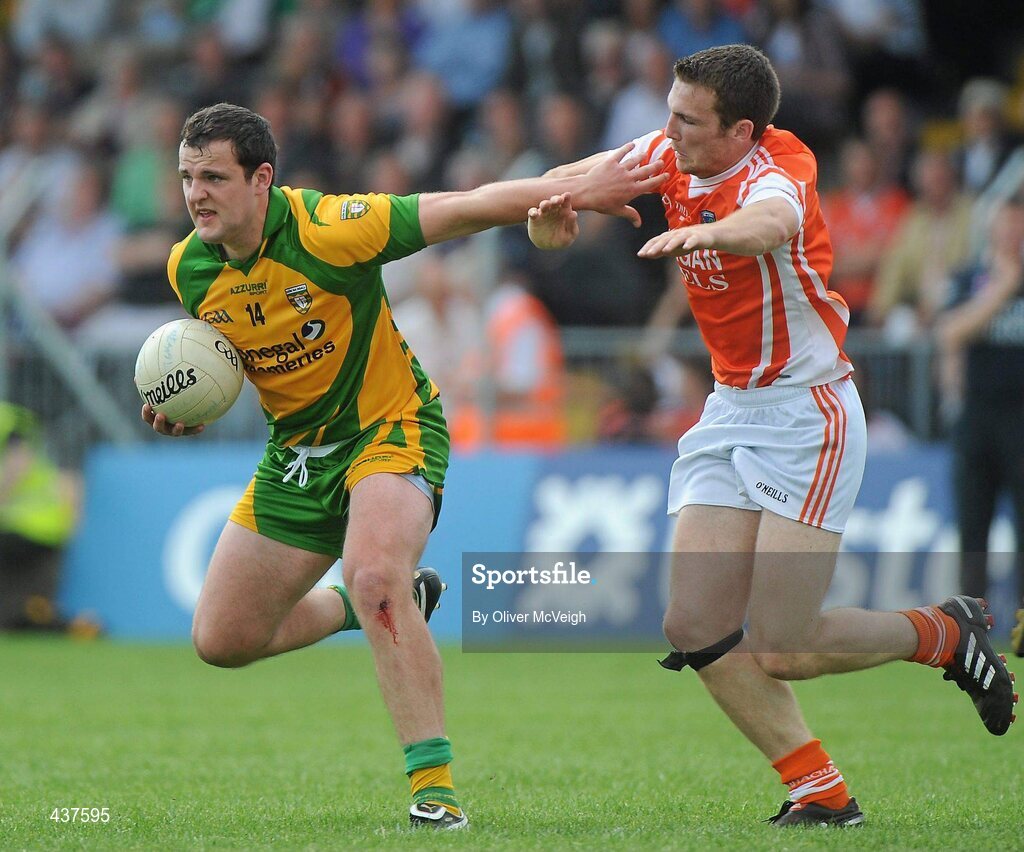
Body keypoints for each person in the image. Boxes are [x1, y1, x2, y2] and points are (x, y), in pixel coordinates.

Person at [528, 44, 1017, 827]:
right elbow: (589, 174)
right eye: (670, 114)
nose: (670, 132)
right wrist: (548, 205)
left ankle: (943, 632)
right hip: (731, 410)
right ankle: (819, 790)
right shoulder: (676, 146)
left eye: (688, 121)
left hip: (805, 414)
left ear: (743, 130)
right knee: (694, 625)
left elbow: (770, 224)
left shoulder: (778, 172)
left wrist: (710, 236)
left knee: (787, 645)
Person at [143, 101, 666, 830]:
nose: (196, 193)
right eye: (187, 176)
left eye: (214, 177)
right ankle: (371, 607)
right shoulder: (188, 268)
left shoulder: (332, 228)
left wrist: (575, 191)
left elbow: (467, 205)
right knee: (221, 641)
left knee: (374, 570)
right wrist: (182, 405)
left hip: (390, 430)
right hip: (295, 455)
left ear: (261, 180)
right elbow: (229, 350)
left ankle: (434, 790)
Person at [935, 195, 1024, 655]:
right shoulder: (972, 277)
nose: (1013, 234)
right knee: (974, 530)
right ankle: (972, 632)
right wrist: (1002, 290)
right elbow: (950, 331)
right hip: (978, 418)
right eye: (1007, 225)